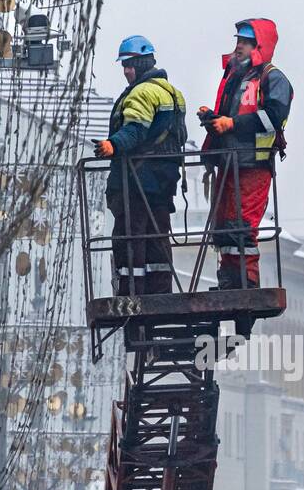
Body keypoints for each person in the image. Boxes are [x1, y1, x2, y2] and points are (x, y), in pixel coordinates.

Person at [198, 18, 293, 300]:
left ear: (258, 46)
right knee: (225, 224)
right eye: (237, 41)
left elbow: (273, 117)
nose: (238, 46)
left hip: (253, 165)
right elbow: (233, 116)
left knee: (242, 225)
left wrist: (232, 125)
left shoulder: (272, 78)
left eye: (244, 42)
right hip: (230, 163)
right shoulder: (235, 77)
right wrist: (213, 121)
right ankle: (229, 281)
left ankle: (246, 284)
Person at [95, 35, 188, 297]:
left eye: (129, 65)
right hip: (163, 179)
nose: (126, 71)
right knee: (157, 236)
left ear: (143, 62)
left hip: (138, 180)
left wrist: (113, 145)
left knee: (130, 236)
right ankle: (160, 292)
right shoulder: (172, 92)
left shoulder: (143, 92)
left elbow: (135, 130)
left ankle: (131, 293)